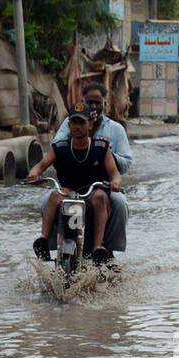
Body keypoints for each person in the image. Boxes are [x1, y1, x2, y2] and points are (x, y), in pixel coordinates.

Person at [27, 101, 122, 264]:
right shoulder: (59, 146)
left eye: (81, 122)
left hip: (93, 192)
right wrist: (34, 173)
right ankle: (43, 239)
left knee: (100, 197)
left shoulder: (101, 146)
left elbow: (115, 174)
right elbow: (41, 165)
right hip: (68, 191)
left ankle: (98, 248)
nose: (77, 126)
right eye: (74, 122)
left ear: (90, 125)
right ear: (69, 124)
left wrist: (115, 182)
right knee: (54, 196)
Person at [45, 82, 131, 252]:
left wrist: (108, 155)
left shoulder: (116, 130)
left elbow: (126, 162)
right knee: (45, 200)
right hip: (72, 183)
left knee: (120, 203)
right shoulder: (69, 124)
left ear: (104, 103)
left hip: (101, 185)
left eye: (97, 103)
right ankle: (48, 244)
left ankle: (107, 248)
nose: (93, 106)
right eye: (89, 102)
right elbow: (56, 148)